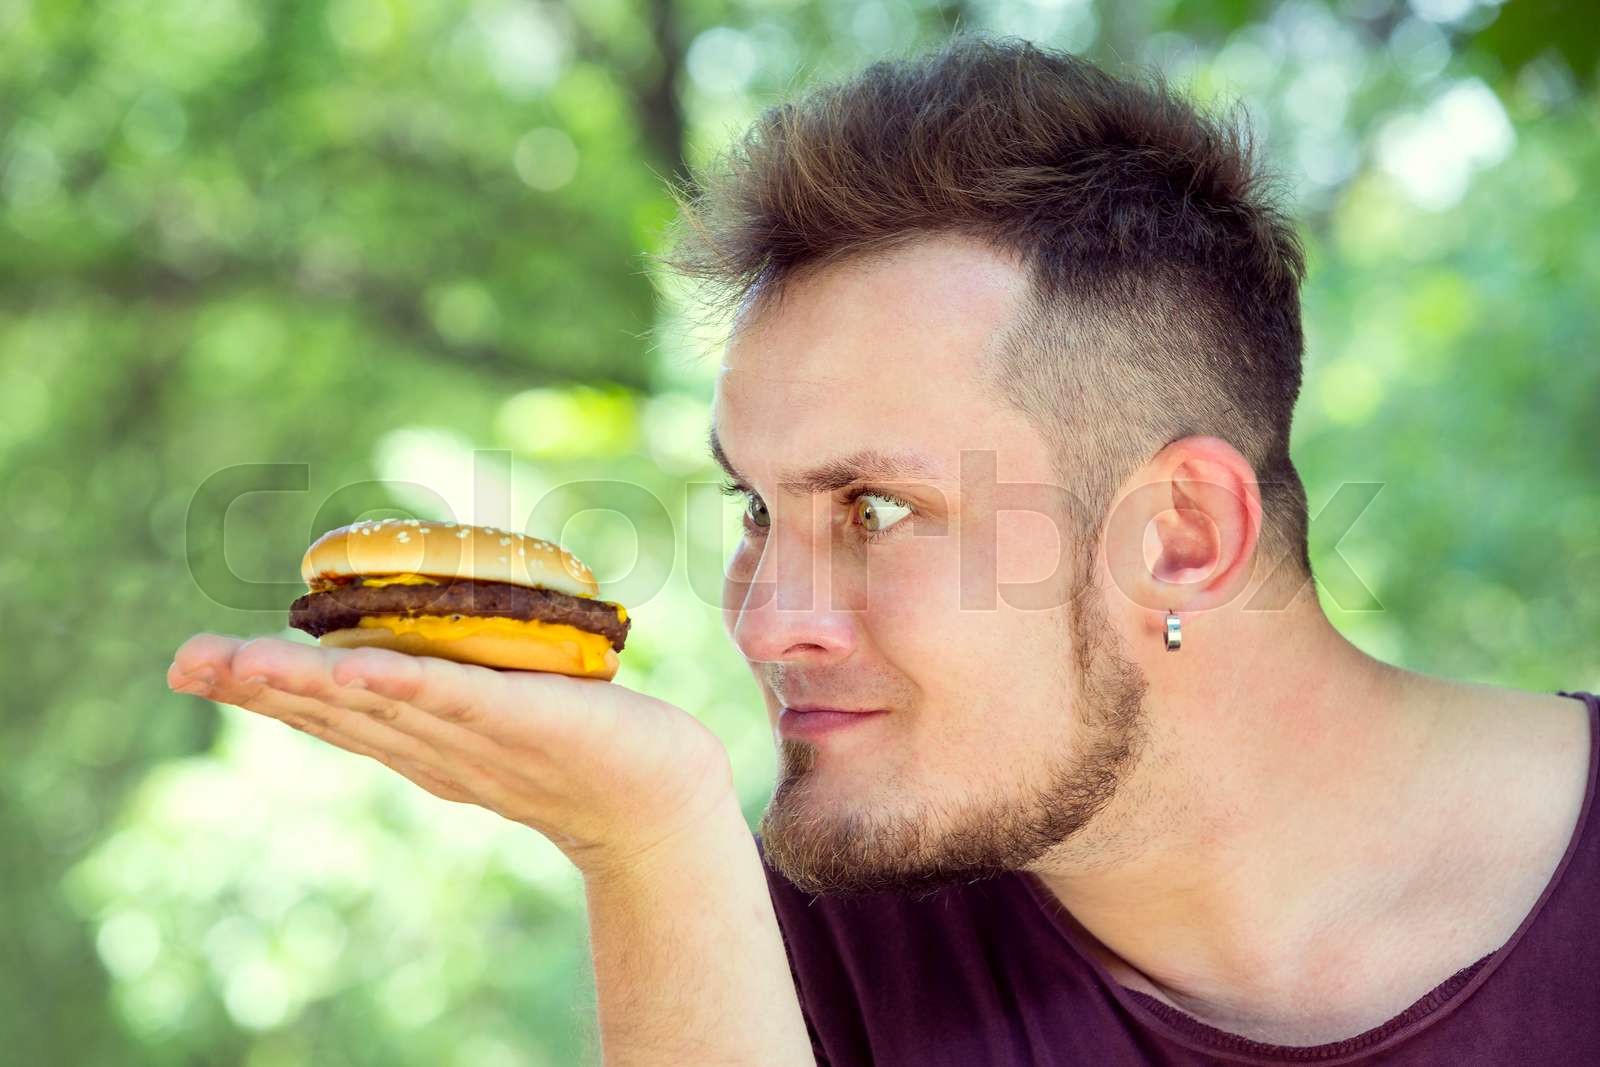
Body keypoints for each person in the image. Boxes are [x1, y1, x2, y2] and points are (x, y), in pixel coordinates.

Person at [166, 33, 1596, 1067]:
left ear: (1180, 538)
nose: (764, 618)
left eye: (878, 510)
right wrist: (642, 847)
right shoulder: (801, 924)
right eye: (753, 509)